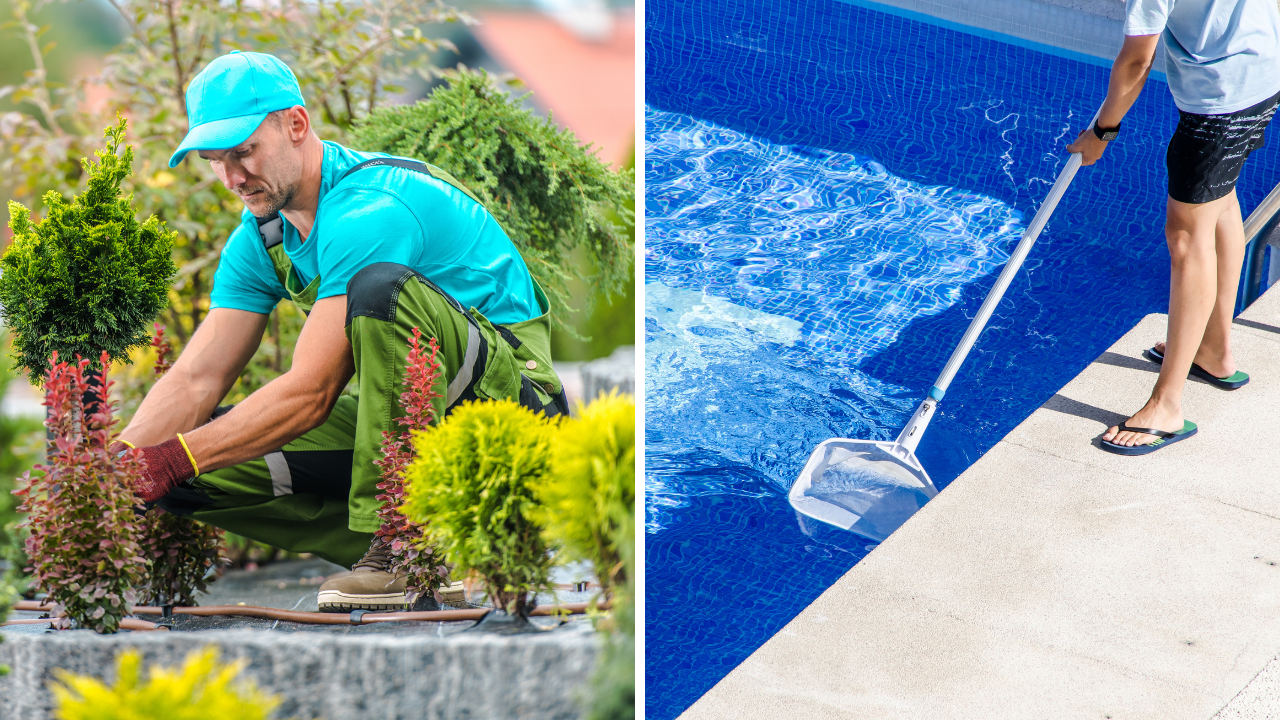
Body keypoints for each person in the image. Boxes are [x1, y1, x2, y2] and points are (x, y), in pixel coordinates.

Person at [114, 51, 568, 610]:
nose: (232, 177)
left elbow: (312, 392)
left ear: (297, 125)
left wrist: (174, 456)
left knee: (380, 289)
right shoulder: (262, 239)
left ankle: (405, 550)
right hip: (416, 426)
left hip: (518, 418)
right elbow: (196, 379)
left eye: (244, 152)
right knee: (185, 472)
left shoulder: (371, 208)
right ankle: (448, 550)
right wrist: (112, 475)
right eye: (215, 160)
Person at [1066, 0, 1280, 455]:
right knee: (1220, 204)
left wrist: (1104, 131)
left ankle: (1167, 405)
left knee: (1185, 238)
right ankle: (1215, 352)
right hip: (1262, 73)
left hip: (1219, 100)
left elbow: (1138, 59)